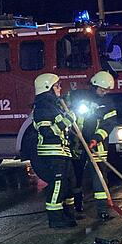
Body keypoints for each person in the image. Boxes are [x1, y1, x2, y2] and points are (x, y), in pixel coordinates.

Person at [68, 70, 118, 220]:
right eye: (102, 90)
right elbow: (67, 111)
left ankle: (102, 210)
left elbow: (109, 124)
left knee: (99, 177)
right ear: (94, 85)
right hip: (77, 142)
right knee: (76, 175)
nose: (104, 93)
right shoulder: (78, 96)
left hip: (97, 146)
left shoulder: (108, 103)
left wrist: (96, 139)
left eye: (107, 90)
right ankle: (77, 206)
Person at [32, 73, 77, 228]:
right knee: (57, 186)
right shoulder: (42, 108)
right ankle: (56, 220)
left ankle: (69, 214)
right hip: (52, 154)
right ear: (47, 88)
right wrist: (67, 121)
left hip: (62, 152)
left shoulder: (53, 106)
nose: (59, 88)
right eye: (56, 86)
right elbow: (47, 132)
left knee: (69, 185)